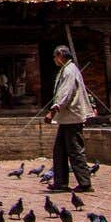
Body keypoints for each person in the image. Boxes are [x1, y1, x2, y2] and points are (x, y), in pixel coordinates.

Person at [44, 45, 95, 193]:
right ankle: (60, 182)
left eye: (55, 56)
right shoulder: (67, 70)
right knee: (59, 150)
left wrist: (52, 112)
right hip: (66, 118)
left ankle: (85, 183)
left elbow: (65, 94)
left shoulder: (69, 71)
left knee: (75, 150)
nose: (54, 60)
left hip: (72, 117)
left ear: (60, 55)